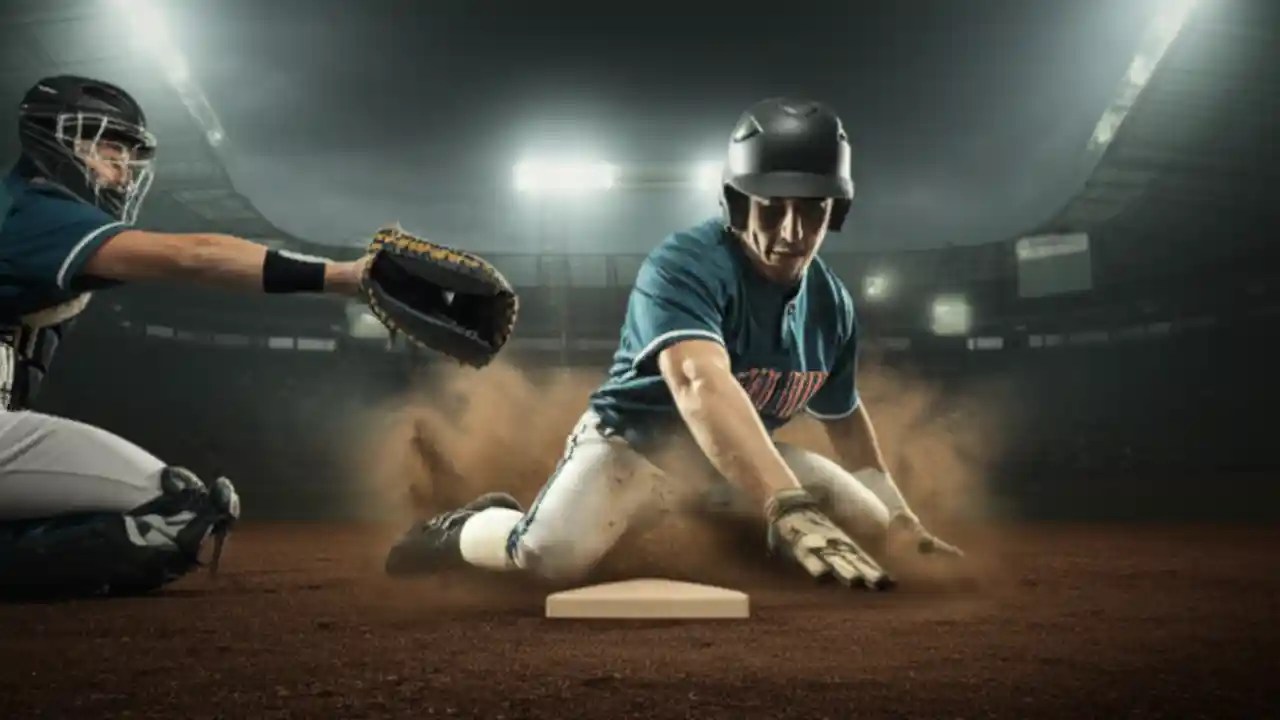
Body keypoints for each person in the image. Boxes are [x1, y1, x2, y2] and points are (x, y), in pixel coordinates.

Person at [384, 97, 962, 587]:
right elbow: (697, 383)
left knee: (870, 522)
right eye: (772, 206)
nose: (791, 231)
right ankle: (467, 526)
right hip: (632, 451)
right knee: (544, 556)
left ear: (836, 210)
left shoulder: (831, 304)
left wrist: (905, 523)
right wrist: (789, 505)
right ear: (738, 202)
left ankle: (738, 543)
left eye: (812, 210)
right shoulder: (687, 264)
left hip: (727, 471)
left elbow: (845, 418)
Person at [0, 75, 369, 597]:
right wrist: (343, 277)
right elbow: (194, 256)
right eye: (105, 145)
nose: (122, 168)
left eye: (129, 154)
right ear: (53, 141)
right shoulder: (37, 210)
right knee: (177, 509)